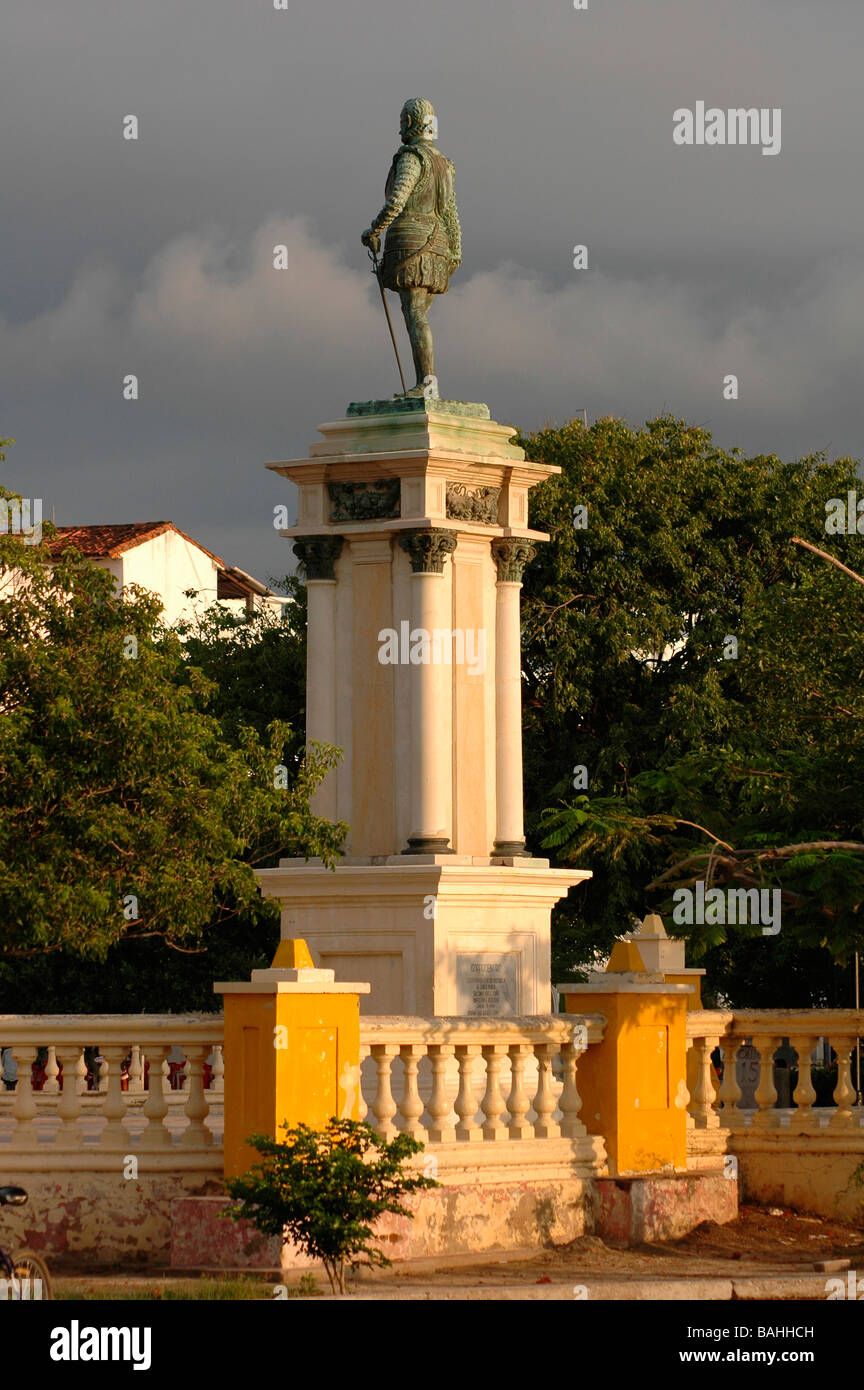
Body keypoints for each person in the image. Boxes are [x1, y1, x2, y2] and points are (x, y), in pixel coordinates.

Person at [361, 99, 461, 396]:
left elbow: (396, 201)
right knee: (419, 314)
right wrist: (455, 252)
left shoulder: (411, 158)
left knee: (414, 313)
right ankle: (427, 381)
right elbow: (450, 213)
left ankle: (427, 383)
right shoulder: (444, 164)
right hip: (438, 245)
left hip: (413, 244)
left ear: (409, 123)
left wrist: (374, 229)